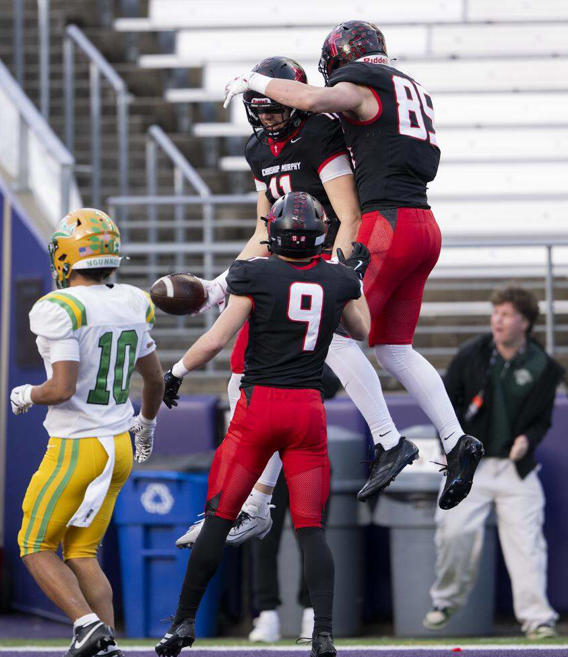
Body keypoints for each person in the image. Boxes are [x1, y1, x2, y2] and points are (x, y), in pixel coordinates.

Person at [223, 20, 484, 510]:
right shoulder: (409, 85)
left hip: (385, 224)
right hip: (424, 225)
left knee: (334, 332)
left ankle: (389, 441)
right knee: (394, 348)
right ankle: (456, 440)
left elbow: (318, 102)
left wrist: (254, 82)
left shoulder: (365, 80)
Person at [177, 55, 419, 551]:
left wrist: (341, 265)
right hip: (279, 268)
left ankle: (388, 438)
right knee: (240, 381)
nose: (267, 117)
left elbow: (348, 212)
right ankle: (255, 507)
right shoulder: (257, 150)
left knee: (337, 342)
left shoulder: (319, 135)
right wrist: (219, 285)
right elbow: (262, 233)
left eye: (272, 106)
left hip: (317, 260)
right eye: (258, 109)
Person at [155, 192, 371, 657]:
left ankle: (182, 623)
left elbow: (216, 339)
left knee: (219, 520)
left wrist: (176, 373)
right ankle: (324, 633)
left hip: (258, 409)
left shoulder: (254, 273)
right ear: (319, 234)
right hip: (307, 412)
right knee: (311, 528)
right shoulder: (336, 280)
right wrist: (355, 279)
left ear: (272, 234)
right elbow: (363, 331)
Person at [9, 208, 164, 657]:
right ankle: (107, 645)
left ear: (65, 257)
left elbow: (60, 388)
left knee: (35, 545)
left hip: (78, 447)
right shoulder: (134, 301)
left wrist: (26, 394)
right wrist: (147, 425)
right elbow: (154, 380)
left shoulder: (61, 307)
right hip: (118, 445)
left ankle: (87, 626)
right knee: (81, 553)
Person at [423, 285, 563, 639]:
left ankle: (538, 619)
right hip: (471, 467)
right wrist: (450, 445)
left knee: (526, 542)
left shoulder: (544, 367)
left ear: (525, 323)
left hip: (516, 470)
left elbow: (541, 420)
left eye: (506, 314)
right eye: (495, 313)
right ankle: (446, 600)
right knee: (454, 531)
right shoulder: (471, 354)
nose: (497, 320)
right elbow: (446, 403)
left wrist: (527, 440)